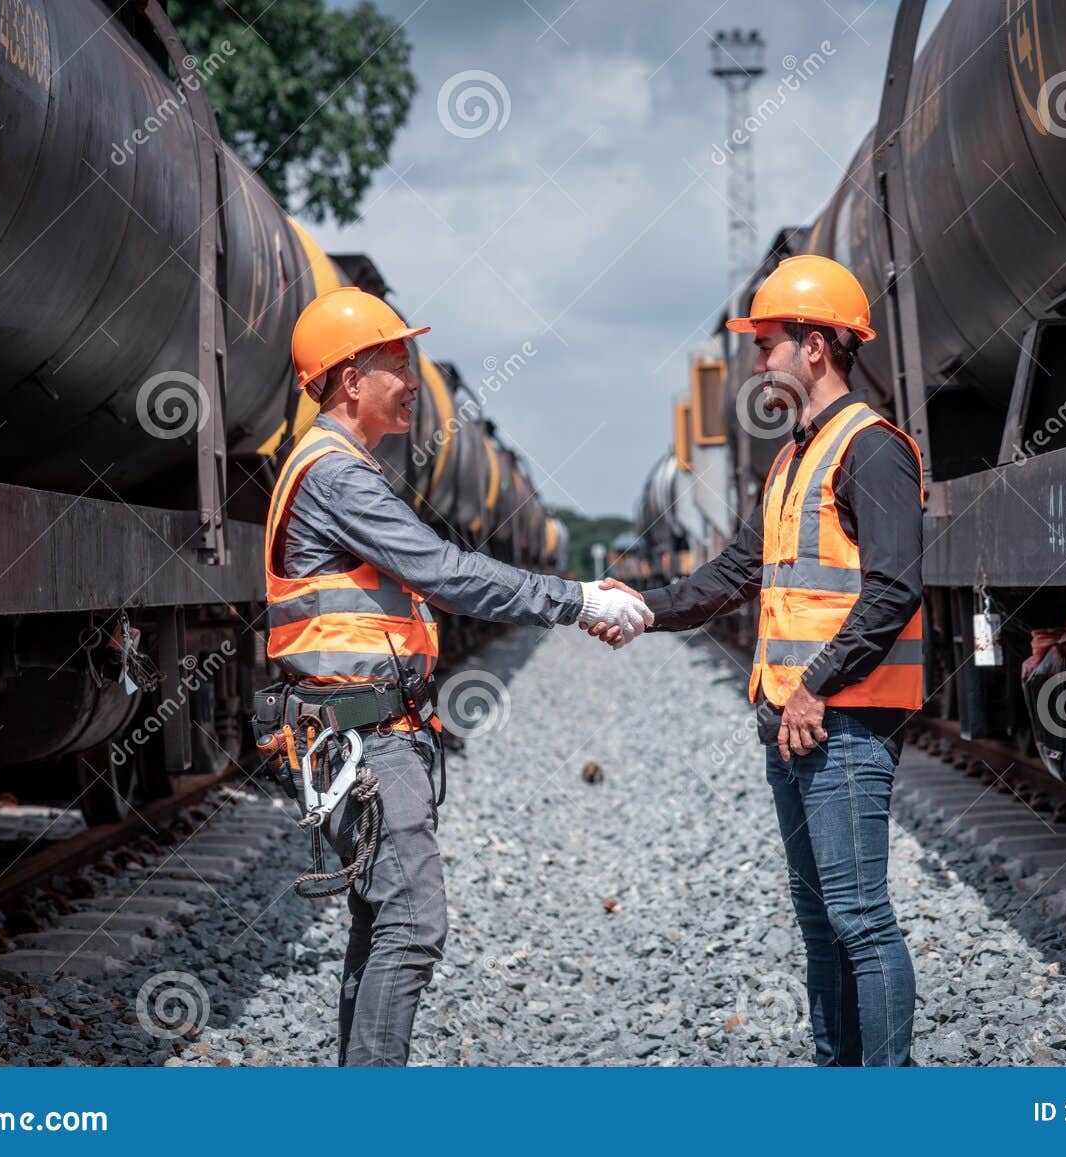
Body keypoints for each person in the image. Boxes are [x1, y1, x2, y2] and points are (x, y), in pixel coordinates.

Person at [266, 286, 651, 1065]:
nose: (413, 380)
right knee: (412, 921)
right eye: (396, 362)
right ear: (350, 381)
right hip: (362, 737)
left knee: (381, 922)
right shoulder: (336, 474)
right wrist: (576, 599)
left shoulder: (333, 466)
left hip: (361, 731)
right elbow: (444, 572)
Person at [596, 255, 923, 1066]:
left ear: (814, 345)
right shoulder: (792, 458)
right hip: (794, 721)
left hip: (843, 721)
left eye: (766, 343)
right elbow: (738, 572)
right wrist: (641, 609)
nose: (756, 362)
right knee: (820, 919)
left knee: (860, 916)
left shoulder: (871, 450)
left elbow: (893, 589)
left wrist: (814, 687)